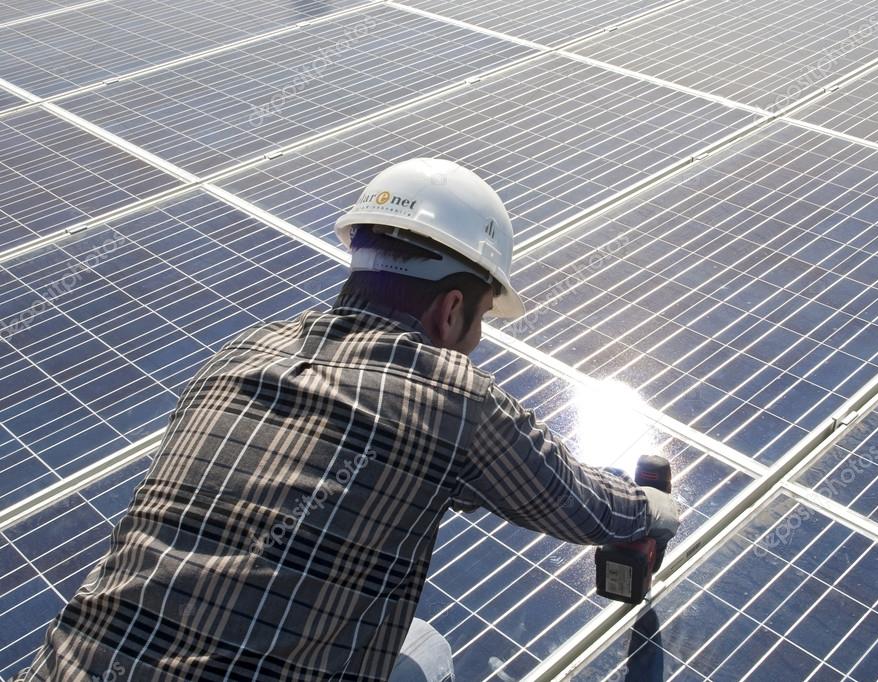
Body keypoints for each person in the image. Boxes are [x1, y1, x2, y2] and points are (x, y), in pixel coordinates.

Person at [17, 159, 681, 681]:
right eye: (479, 322)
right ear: (450, 310)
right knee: (422, 656)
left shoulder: (240, 353)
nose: (474, 340)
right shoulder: (451, 399)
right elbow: (582, 506)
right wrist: (654, 509)